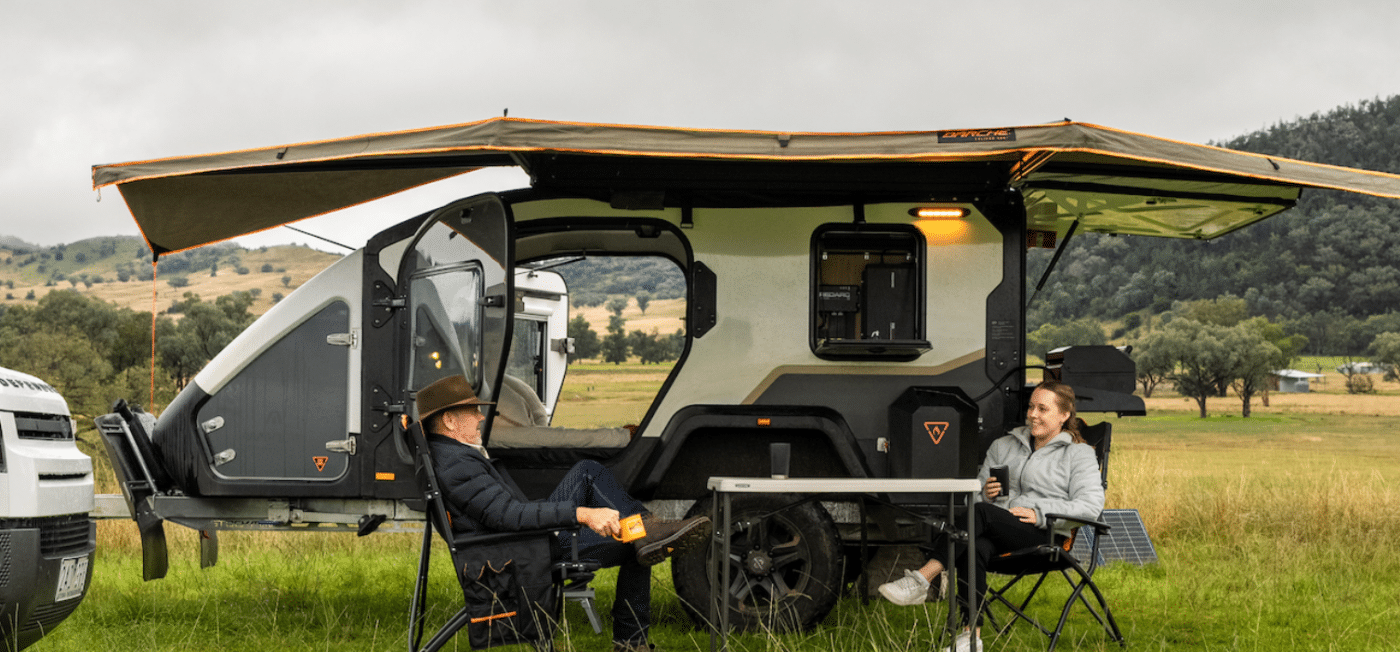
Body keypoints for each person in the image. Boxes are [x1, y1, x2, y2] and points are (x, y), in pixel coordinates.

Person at [417, 375, 712, 652]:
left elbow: (504, 513)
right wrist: (582, 514)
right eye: (474, 412)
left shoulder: (450, 455)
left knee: (590, 475)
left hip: (518, 541)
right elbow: (507, 516)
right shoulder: (457, 464)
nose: (482, 418)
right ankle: (631, 640)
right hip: (519, 552)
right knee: (633, 540)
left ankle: (646, 532)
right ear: (450, 420)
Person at [877, 380, 1105, 652]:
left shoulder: (1078, 454)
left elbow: (1091, 506)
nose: (1033, 414)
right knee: (975, 545)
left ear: (1065, 415)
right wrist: (985, 493)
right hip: (997, 530)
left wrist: (1039, 513)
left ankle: (922, 578)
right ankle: (970, 637)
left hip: (1046, 536)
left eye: (1043, 409)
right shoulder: (1003, 445)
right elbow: (971, 502)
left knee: (981, 517)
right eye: (1031, 407)